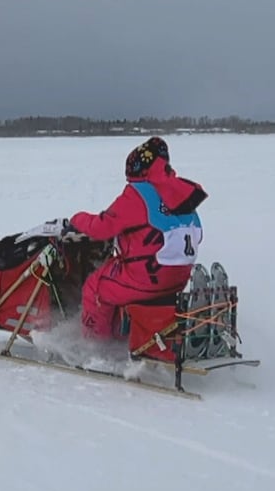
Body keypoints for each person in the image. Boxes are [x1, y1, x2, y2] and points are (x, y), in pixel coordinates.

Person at [65, 136, 208, 345]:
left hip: (147, 278)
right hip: (178, 278)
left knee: (96, 287)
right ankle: (126, 330)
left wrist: (77, 220)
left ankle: (94, 345)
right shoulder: (180, 192)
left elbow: (103, 227)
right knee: (118, 274)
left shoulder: (139, 193)